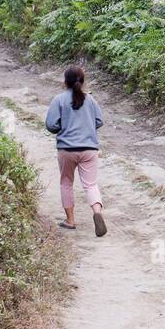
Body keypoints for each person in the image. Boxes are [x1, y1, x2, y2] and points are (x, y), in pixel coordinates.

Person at [45, 65, 107, 237]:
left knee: (66, 183)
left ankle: (70, 221)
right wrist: (86, 127)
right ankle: (97, 212)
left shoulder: (59, 100)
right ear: (83, 81)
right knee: (90, 184)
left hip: (67, 149)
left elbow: (51, 125)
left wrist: (63, 127)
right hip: (89, 149)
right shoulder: (91, 100)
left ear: (65, 82)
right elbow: (99, 121)